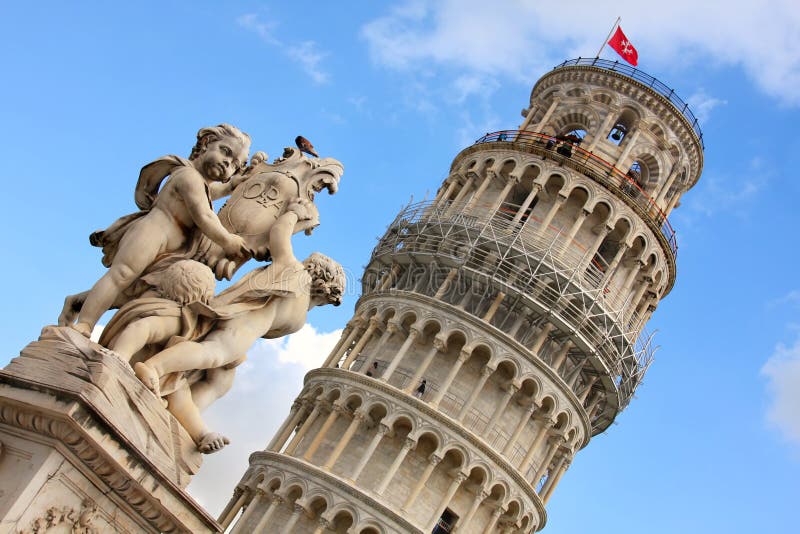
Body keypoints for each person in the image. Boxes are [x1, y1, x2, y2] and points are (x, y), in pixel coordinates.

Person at [133, 199, 345, 399]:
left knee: (220, 378)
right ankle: (154, 367)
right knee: (211, 354)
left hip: (239, 324)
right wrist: (293, 212)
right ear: (327, 293)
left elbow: (280, 234)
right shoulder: (297, 282)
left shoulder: (296, 289)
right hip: (241, 328)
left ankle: (183, 414)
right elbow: (279, 234)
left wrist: (294, 214)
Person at [70, 125, 251, 337]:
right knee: (120, 276)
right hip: (152, 234)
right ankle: (85, 324)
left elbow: (210, 193)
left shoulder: (200, 184)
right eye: (225, 151)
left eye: (235, 164)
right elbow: (205, 216)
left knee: (128, 291)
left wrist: (231, 187)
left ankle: (75, 303)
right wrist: (228, 241)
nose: (228, 163)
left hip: (169, 251)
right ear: (206, 143)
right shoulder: (188, 176)